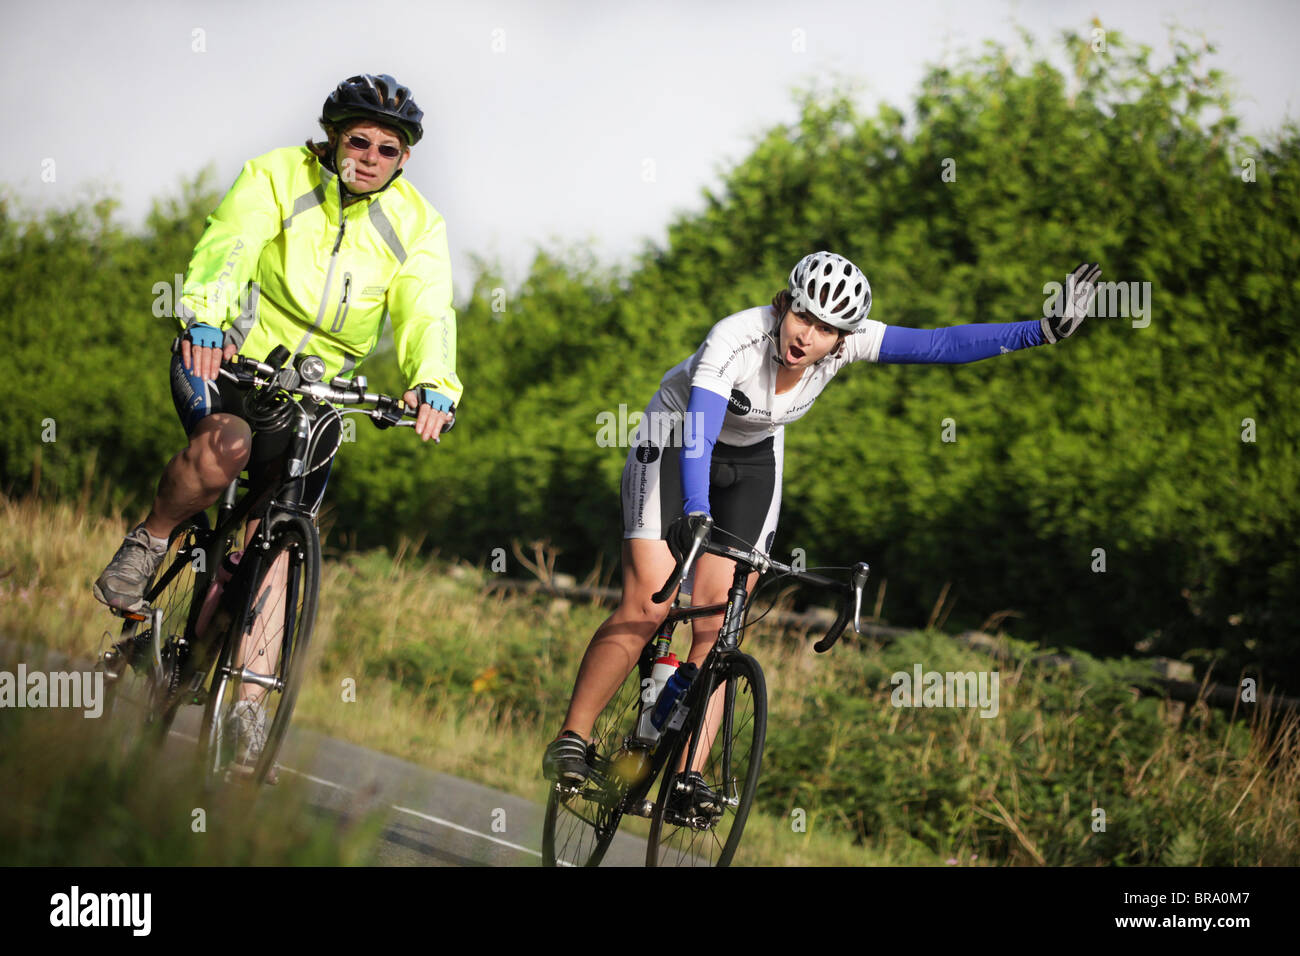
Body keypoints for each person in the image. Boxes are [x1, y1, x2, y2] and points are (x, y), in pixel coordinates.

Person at [541, 252, 1101, 814]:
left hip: (755, 458)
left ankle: (688, 778)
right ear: (785, 304)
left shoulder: (846, 342)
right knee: (650, 603)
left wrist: (1043, 331)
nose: (809, 335)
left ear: (843, 337)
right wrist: (693, 510)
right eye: (804, 317)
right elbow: (699, 437)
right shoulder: (733, 340)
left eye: (827, 328)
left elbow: (940, 344)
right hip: (676, 439)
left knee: (721, 624)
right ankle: (572, 738)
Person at [93, 73, 461, 765]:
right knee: (225, 444)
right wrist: (204, 315)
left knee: (281, 544)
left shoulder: (418, 224)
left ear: (405, 158)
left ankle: (248, 710)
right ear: (332, 137)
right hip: (232, 358)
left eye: (389, 149)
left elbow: (426, 307)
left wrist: (433, 382)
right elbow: (231, 244)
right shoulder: (276, 175)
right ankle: (152, 540)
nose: (371, 157)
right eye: (359, 141)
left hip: (317, 396)